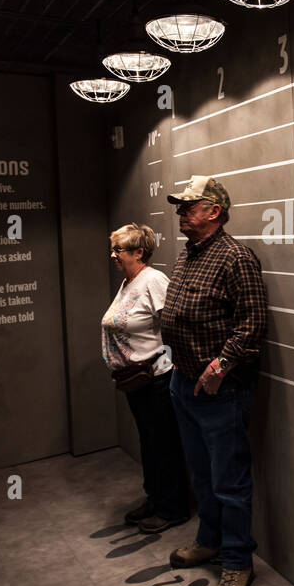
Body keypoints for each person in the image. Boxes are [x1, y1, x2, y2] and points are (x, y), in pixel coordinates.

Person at [160, 176, 268, 586]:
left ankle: (238, 562)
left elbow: (252, 323)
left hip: (220, 391)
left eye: (190, 206)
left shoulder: (236, 258)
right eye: (181, 206)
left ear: (214, 212)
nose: (181, 212)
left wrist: (219, 368)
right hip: (182, 382)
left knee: (229, 481)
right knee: (201, 473)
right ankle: (209, 541)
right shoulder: (187, 255)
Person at [101, 223, 191, 533]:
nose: (113, 254)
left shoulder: (153, 280)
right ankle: (156, 497)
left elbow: (173, 325)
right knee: (150, 443)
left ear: (139, 252)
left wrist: (169, 365)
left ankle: (173, 507)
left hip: (156, 379)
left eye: (119, 249)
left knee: (163, 443)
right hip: (136, 380)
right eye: (113, 249)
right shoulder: (129, 282)